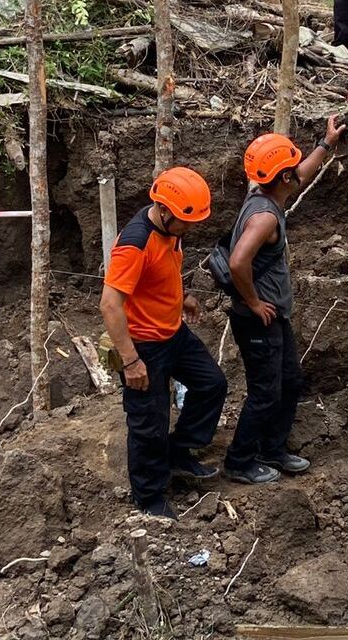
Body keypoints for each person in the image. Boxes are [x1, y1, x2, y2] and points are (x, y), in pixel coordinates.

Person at [223, 117, 347, 484]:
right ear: (282, 179)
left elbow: (301, 175)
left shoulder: (266, 192)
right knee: (265, 391)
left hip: (273, 317)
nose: (296, 174)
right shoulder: (263, 218)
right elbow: (237, 261)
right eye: (291, 171)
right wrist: (254, 302)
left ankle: (272, 450)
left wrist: (325, 144)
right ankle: (240, 461)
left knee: (289, 381)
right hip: (257, 318)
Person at [100, 167, 227, 519]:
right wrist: (130, 360)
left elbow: (161, 272)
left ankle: (179, 451)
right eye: (187, 222)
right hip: (145, 344)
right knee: (148, 423)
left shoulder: (171, 229)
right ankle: (150, 498)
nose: (191, 229)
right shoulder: (134, 244)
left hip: (174, 332)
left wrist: (181, 296)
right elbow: (109, 304)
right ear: (166, 210)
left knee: (212, 384)